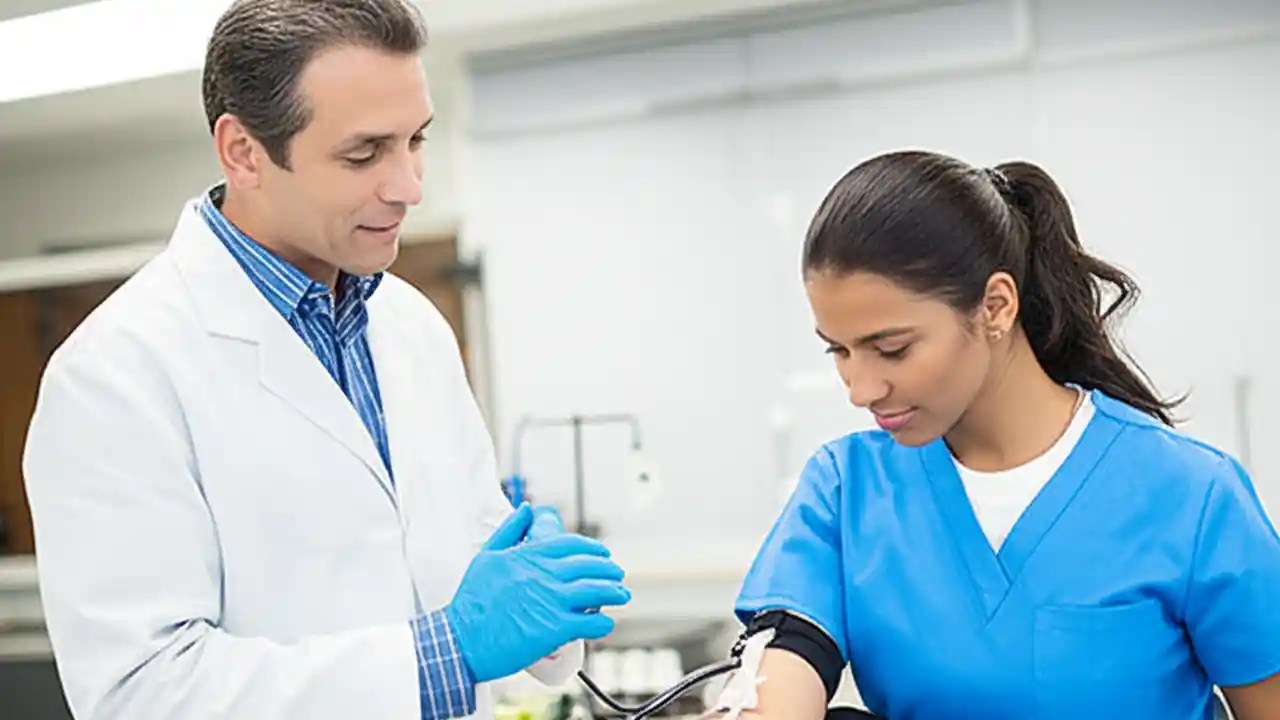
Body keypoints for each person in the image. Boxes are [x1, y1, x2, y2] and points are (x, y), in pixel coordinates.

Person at [21, 1, 629, 718]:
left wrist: (534, 595)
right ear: (243, 152)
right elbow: (145, 692)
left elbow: (463, 572)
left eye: (416, 140)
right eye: (365, 153)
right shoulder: (113, 375)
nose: (409, 184)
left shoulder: (413, 329)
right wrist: (448, 652)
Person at [720, 150, 1280, 718]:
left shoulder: (1190, 495)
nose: (860, 389)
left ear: (995, 306)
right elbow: (784, 655)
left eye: (892, 349)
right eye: (838, 350)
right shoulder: (847, 487)